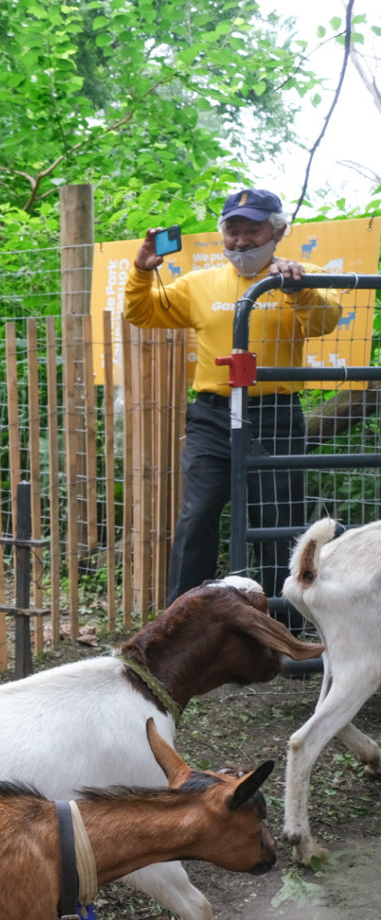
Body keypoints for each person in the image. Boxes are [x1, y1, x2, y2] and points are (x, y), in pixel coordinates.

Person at [124, 187, 342, 607]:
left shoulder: (299, 274)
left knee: (277, 518)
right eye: (233, 231)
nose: (241, 241)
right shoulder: (199, 283)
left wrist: (299, 289)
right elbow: (142, 312)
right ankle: (183, 620)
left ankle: (285, 626)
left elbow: (325, 322)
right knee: (198, 513)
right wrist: (142, 272)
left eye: (253, 230)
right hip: (211, 415)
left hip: (274, 413)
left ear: (277, 232)